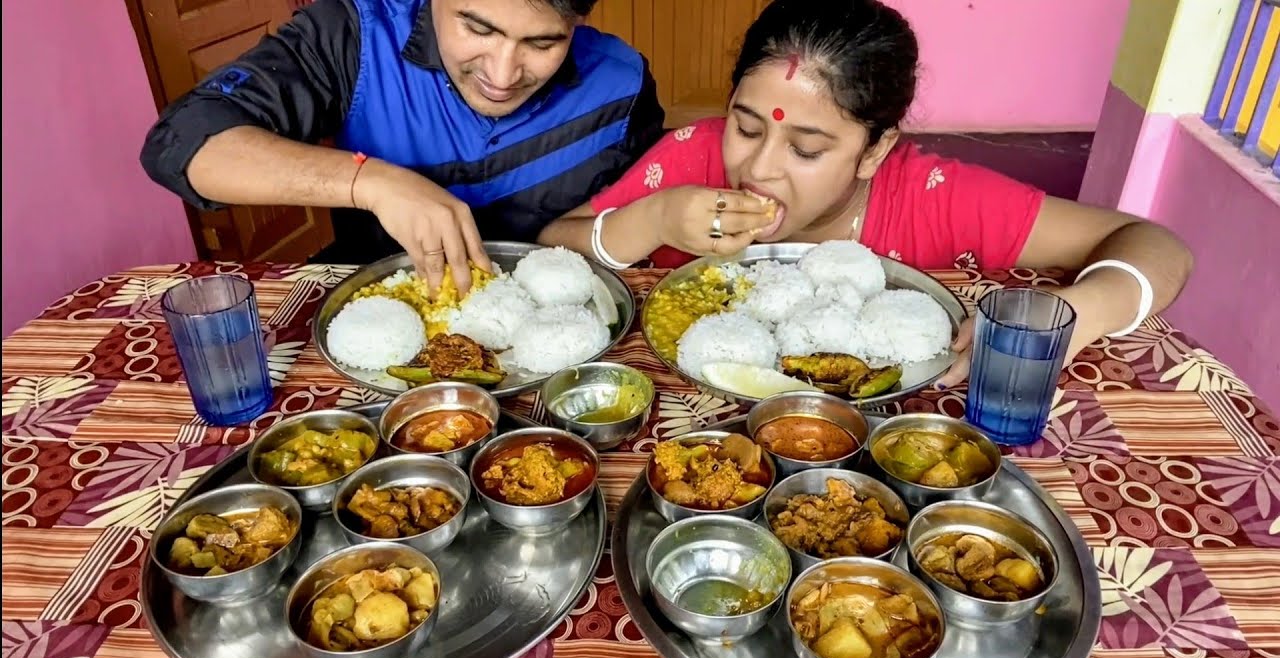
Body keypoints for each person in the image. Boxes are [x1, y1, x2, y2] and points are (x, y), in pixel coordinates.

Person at [537, 0, 1192, 389]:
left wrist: (1080, 313)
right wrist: (652, 218)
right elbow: (554, 245)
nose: (757, 168)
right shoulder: (693, 157)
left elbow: (1158, 246)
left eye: (808, 149)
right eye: (745, 125)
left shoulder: (930, 195)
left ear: (875, 150)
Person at [140, 0, 665, 292]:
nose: (502, 75)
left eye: (542, 42)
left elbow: (627, 226)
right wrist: (369, 180)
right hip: (385, 336)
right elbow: (183, 143)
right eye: (476, 27)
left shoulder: (623, 84)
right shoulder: (354, 37)